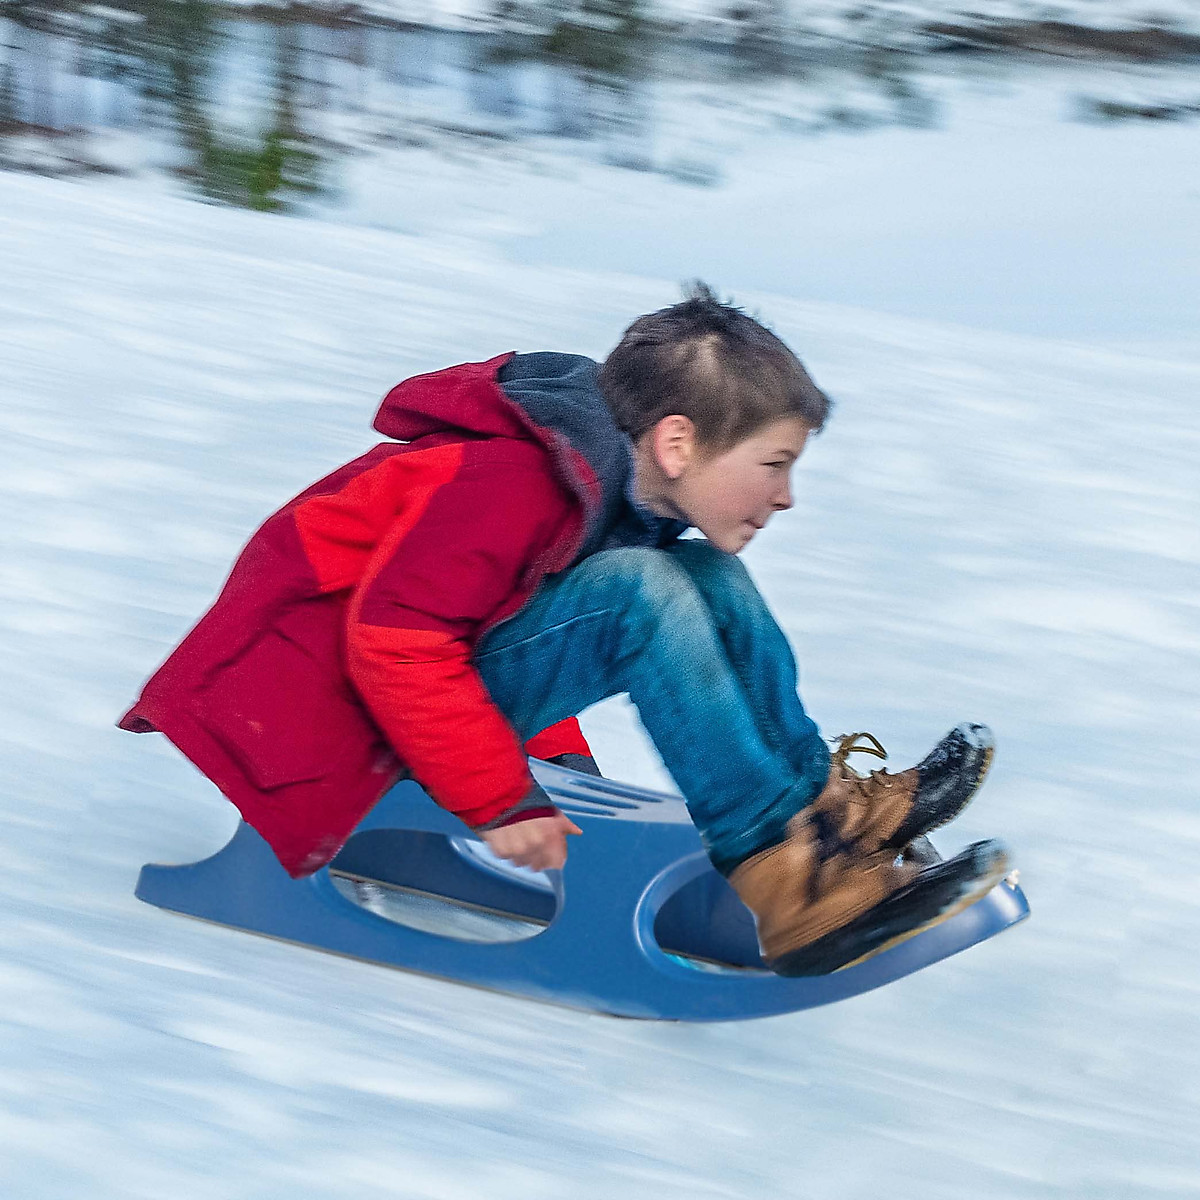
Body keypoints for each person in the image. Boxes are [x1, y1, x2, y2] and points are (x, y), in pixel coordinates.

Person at [120, 283, 1007, 976]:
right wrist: (499, 796)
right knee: (645, 591)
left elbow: (523, 617)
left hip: (398, 680)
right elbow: (397, 641)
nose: (784, 495)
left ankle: (829, 813)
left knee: (702, 576)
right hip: (316, 710)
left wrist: (556, 757)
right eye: (771, 466)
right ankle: (788, 879)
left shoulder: (606, 482)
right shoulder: (509, 481)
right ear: (675, 445)